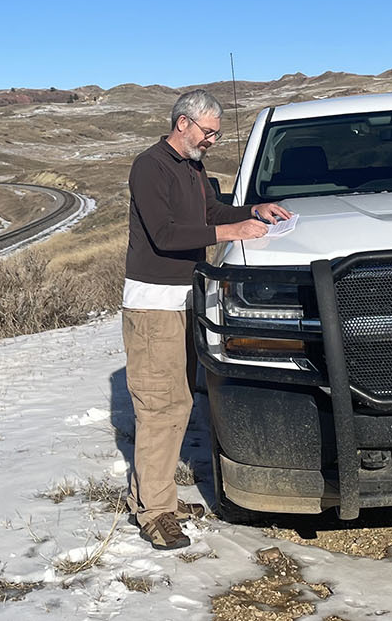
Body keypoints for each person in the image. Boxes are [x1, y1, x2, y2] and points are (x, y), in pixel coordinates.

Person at [123, 89, 293, 549]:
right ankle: (155, 512)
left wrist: (251, 211)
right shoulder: (150, 166)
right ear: (183, 123)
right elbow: (165, 234)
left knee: (180, 401)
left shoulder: (193, 167)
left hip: (187, 298)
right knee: (160, 405)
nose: (213, 139)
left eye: (216, 132)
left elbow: (209, 213)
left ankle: (159, 496)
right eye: (209, 131)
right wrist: (230, 231)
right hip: (154, 305)